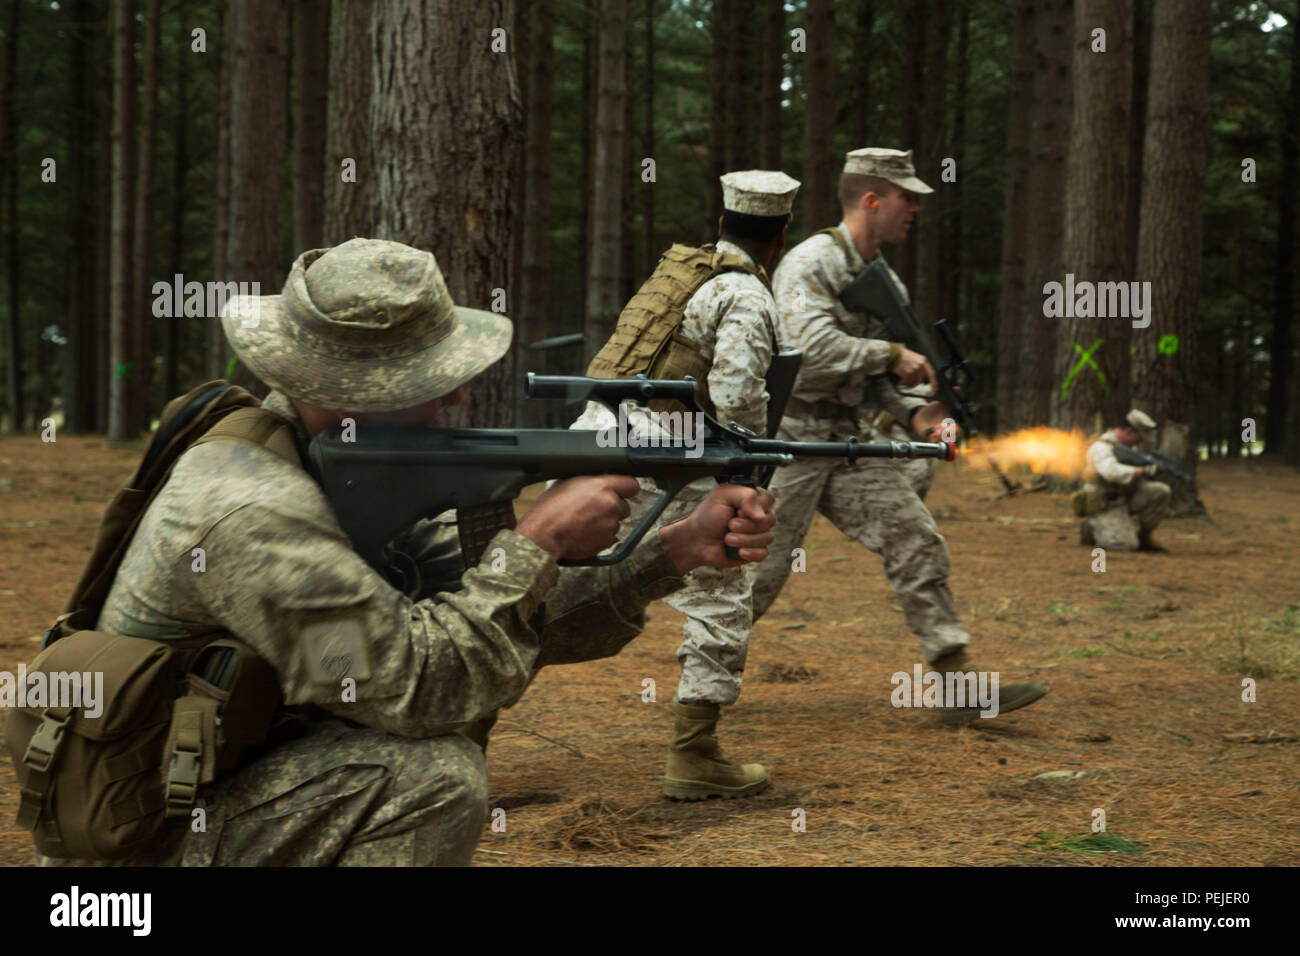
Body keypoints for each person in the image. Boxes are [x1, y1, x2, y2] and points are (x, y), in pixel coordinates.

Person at [36, 238, 776, 867]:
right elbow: (422, 687)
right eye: (432, 378)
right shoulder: (254, 511)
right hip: (143, 836)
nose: (451, 398)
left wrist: (671, 551)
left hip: (221, 766)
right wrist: (538, 539)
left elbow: (501, 621)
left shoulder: (316, 458)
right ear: (362, 391)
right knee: (431, 780)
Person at [749, 147, 1048, 723]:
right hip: (789, 440)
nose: (915, 208)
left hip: (847, 439)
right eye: (907, 198)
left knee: (915, 535)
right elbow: (807, 354)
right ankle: (701, 687)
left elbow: (890, 380)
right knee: (760, 574)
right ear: (871, 199)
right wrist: (890, 353)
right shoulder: (808, 264)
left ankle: (956, 684)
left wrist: (920, 416)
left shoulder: (884, 281)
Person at [571, 170, 799, 799]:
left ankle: (468, 715)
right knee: (725, 583)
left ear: (722, 224)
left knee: (549, 575)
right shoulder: (748, 296)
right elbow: (735, 396)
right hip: (662, 453)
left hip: (594, 438)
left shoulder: (674, 276)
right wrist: (748, 467)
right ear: (780, 236)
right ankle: (693, 753)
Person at [1080, 409, 1171, 552]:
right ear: (1129, 431)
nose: (1139, 442)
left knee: (1160, 492)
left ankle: (1144, 538)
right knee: (1125, 545)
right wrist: (1140, 471)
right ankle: (1092, 527)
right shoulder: (1101, 446)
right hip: (1104, 504)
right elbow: (1110, 471)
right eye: (1138, 438)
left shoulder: (1127, 449)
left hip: (1124, 498)